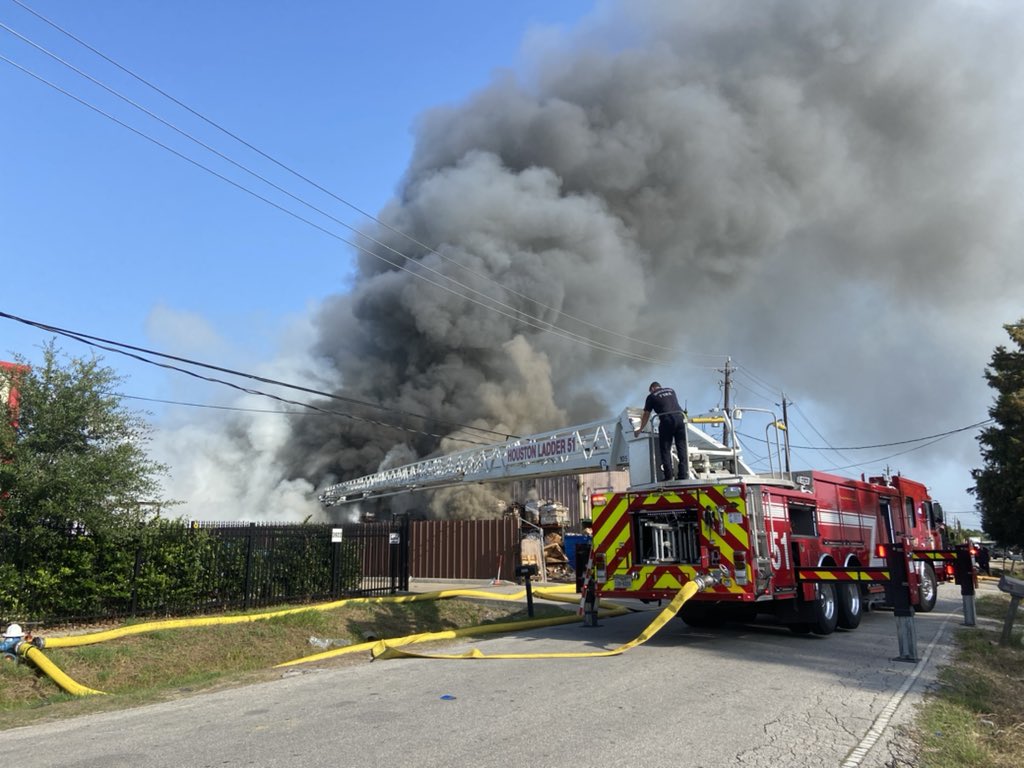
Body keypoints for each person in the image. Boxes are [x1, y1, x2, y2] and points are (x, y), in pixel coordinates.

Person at [635, 381, 688, 482]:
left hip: (667, 421)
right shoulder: (671, 390)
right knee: (681, 447)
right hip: (680, 418)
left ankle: (668, 475)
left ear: (652, 389)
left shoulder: (651, 396)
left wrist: (640, 429)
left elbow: (646, 414)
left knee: (665, 449)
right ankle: (683, 474)